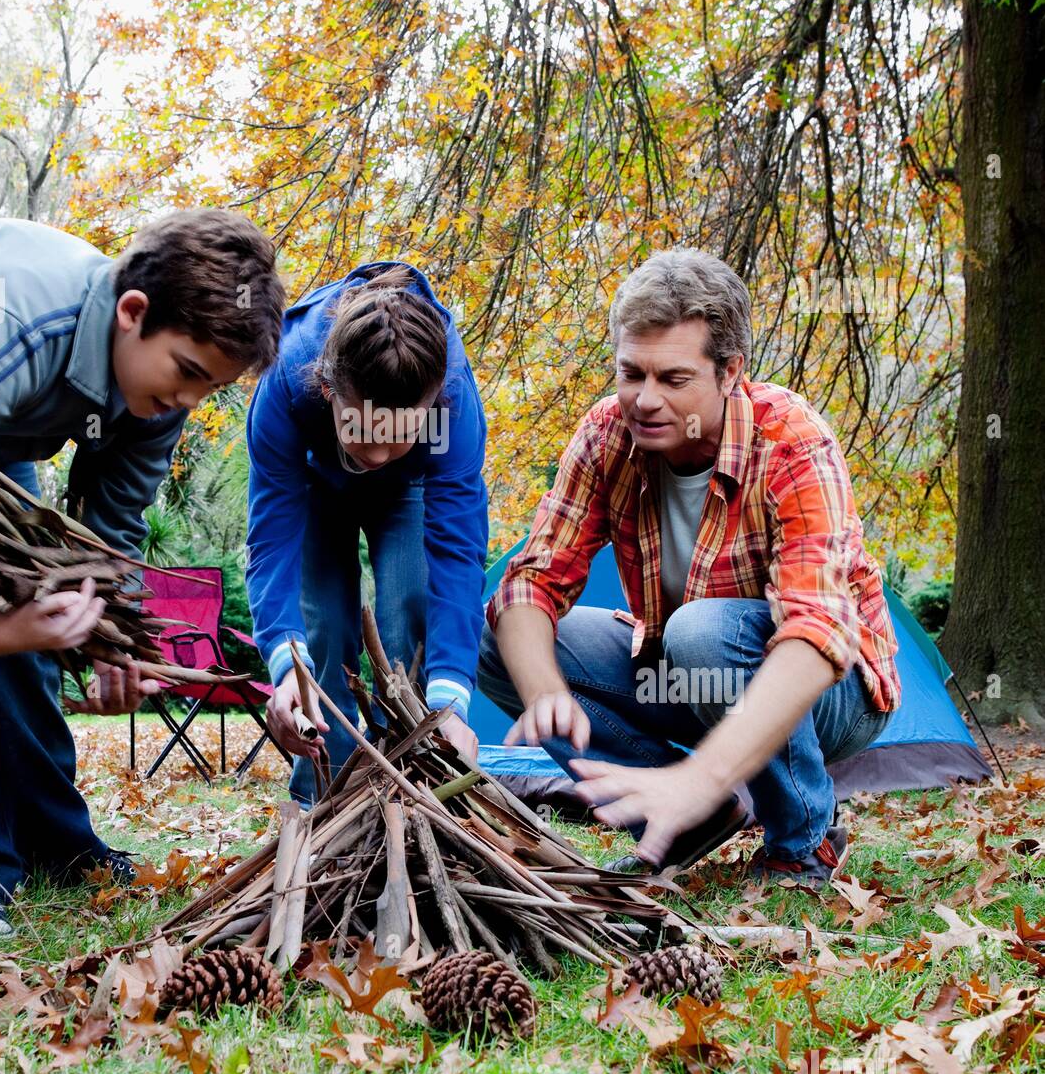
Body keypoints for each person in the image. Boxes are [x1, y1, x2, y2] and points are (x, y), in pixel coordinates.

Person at [0, 210, 285, 935]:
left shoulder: (158, 389)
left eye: (209, 388)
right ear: (133, 313)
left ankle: (55, 844)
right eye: (187, 374)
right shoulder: (15, 321)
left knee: (40, 619)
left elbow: (112, 523)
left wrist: (108, 636)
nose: (188, 403)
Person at [478, 248, 900, 885]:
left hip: (835, 693)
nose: (644, 401)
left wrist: (700, 773)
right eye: (631, 374)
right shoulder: (606, 435)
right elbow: (530, 581)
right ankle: (684, 815)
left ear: (730, 371)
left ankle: (802, 842)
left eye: (673, 380)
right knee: (501, 642)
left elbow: (817, 636)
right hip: (690, 674)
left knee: (702, 633)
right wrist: (543, 695)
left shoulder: (790, 440)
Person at [245, 262, 488, 805]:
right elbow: (272, 542)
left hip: (410, 493)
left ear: (431, 405)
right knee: (323, 628)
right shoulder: (288, 375)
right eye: (365, 429)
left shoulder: (453, 400)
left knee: (410, 608)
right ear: (328, 386)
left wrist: (451, 699)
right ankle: (321, 796)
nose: (377, 455)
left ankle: (416, 789)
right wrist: (286, 666)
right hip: (314, 487)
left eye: (398, 436)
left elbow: (457, 552)